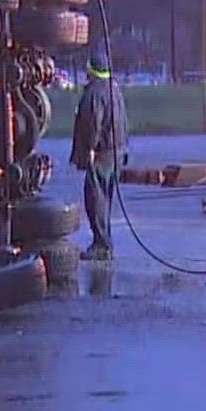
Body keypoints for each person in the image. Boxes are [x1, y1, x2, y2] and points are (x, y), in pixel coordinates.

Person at [70, 47, 129, 260]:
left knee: (96, 200)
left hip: (102, 154)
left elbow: (92, 122)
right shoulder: (114, 89)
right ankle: (105, 242)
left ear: (91, 70)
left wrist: (90, 149)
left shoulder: (94, 92)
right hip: (117, 152)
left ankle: (101, 245)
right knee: (106, 199)